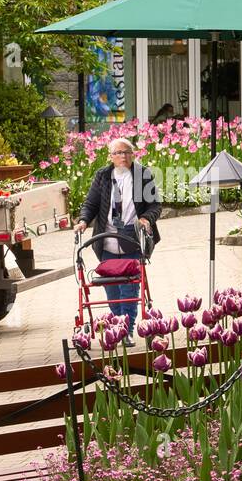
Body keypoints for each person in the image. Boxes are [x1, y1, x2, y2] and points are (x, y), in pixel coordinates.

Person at [74, 138, 162, 341]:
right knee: (112, 289)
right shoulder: (102, 176)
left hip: (132, 239)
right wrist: (83, 221)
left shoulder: (143, 175)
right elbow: (91, 204)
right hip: (107, 241)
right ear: (111, 156)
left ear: (133, 154)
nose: (123, 156)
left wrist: (145, 219)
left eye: (127, 152)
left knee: (129, 289)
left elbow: (155, 205)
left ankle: (127, 331)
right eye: (118, 153)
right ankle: (117, 328)